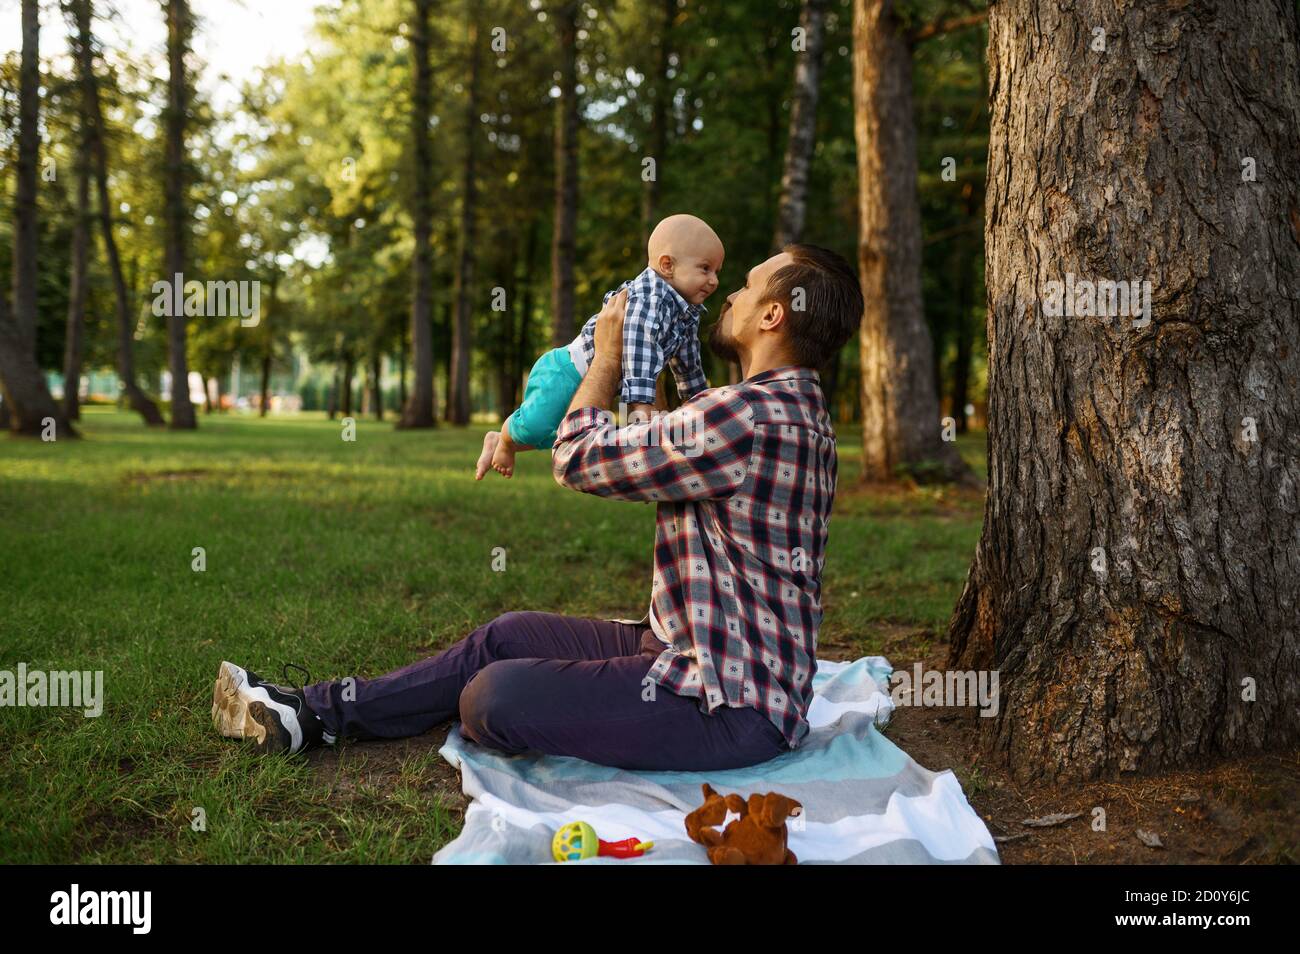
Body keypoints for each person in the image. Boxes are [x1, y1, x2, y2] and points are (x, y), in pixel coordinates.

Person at [211, 244, 864, 772]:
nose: (731, 294)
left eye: (748, 286)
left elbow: (580, 457)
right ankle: (309, 715)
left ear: (773, 315)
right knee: (507, 634)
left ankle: (319, 716)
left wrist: (605, 356)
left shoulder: (743, 417)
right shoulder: (790, 410)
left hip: (728, 705)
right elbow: (660, 441)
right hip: (688, 647)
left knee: (493, 698)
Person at [475, 213, 723, 479]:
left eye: (717, 272)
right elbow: (639, 353)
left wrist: (697, 403)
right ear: (667, 265)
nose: (714, 281)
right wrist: (642, 415)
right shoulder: (649, 298)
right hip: (566, 372)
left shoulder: (687, 312)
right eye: (705, 269)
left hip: (594, 384)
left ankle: (506, 439)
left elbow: (689, 364)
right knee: (536, 427)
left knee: (560, 434)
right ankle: (502, 438)